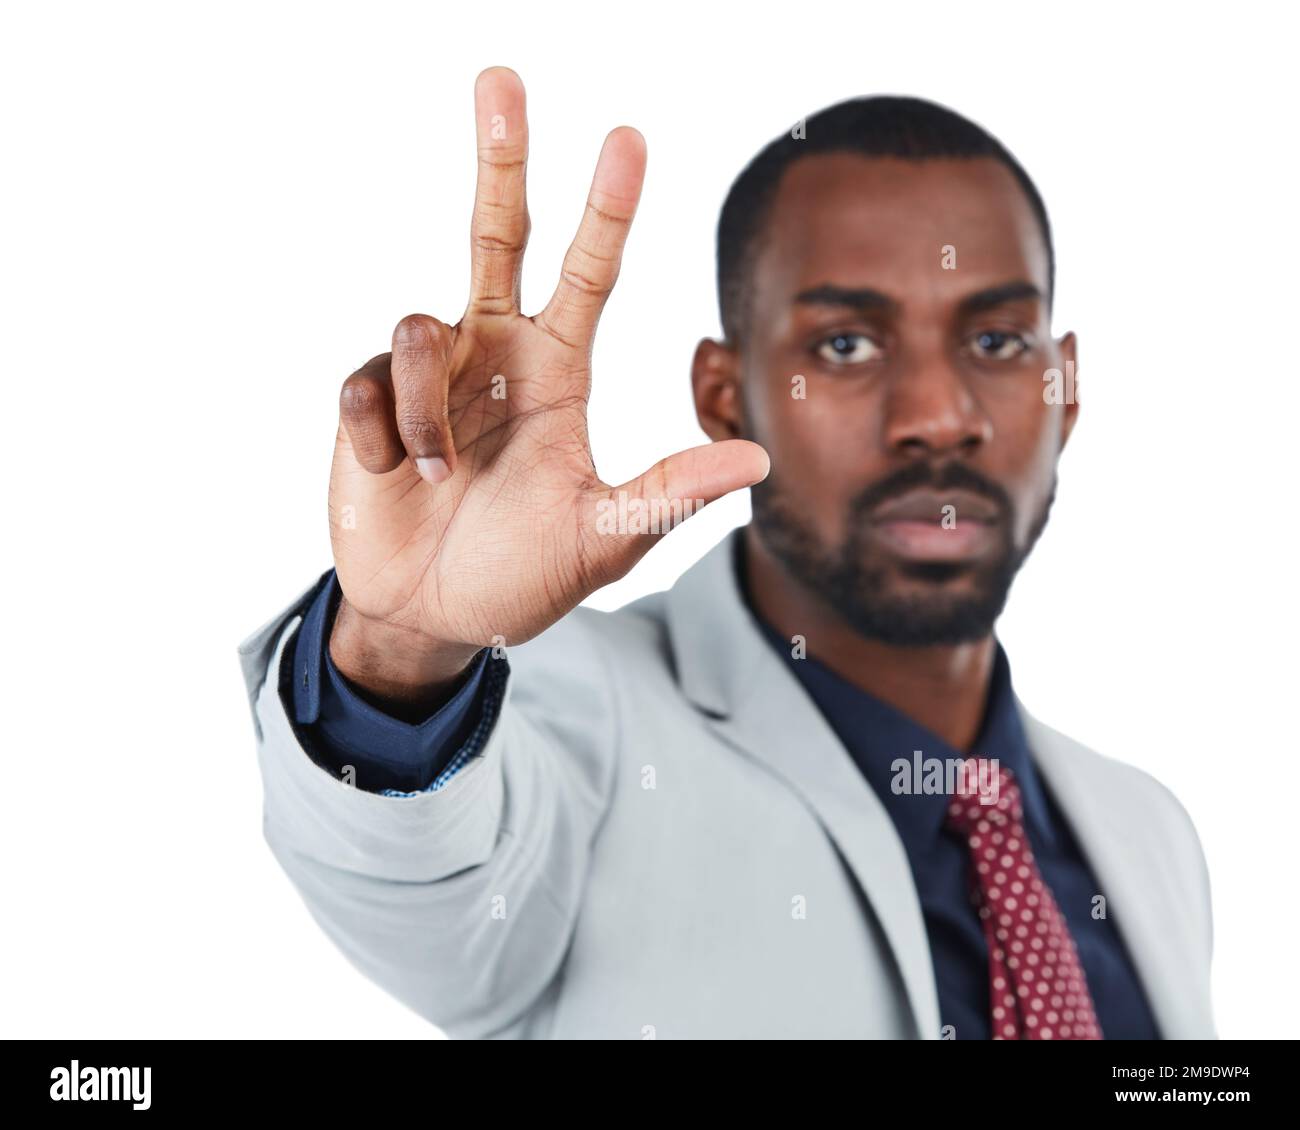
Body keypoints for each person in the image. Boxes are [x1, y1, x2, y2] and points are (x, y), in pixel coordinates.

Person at [239, 67, 1214, 1039]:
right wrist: (402, 650)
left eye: (998, 339)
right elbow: (416, 880)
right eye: (844, 345)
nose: (936, 416)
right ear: (724, 393)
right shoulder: (570, 725)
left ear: (1064, 390)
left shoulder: (1147, 831)